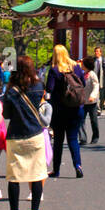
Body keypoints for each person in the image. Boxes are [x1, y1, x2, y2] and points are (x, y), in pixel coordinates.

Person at [0, 57, 49, 210]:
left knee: (14, 176)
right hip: (35, 134)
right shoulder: (38, 86)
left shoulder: (11, 91)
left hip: (16, 135)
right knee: (36, 174)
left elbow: (6, 114)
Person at [45, 43, 86, 178]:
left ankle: (56, 170)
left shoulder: (55, 70)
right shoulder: (76, 67)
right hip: (76, 108)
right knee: (73, 139)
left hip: (60, 109)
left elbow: (49, 88)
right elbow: (83, 84)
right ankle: (78, 165)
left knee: (58, 141)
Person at [81, 54, 101, 144]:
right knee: (81, 120)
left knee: (94, 120)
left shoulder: (92, 74)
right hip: (83, 101)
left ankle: (95, 137)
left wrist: (93, 95)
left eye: (83, 64)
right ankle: (83, 138)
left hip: (92, 101)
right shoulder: (82, 74)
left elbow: (96, 86)